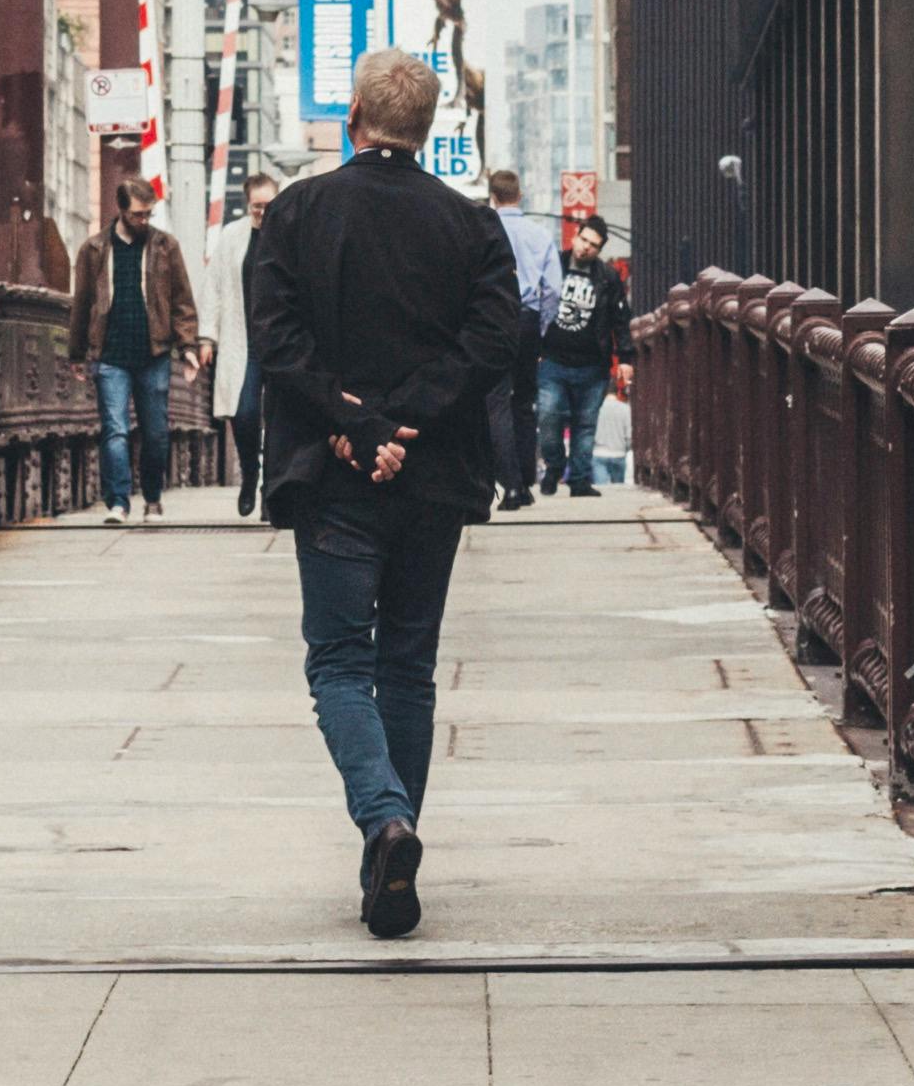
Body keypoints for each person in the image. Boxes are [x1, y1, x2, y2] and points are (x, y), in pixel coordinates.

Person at [247, 50, 530, 938]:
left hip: (332, 477)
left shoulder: (294, 213)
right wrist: (408, 419)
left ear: (356, 116)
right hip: (435, 476)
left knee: (338, 661)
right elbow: (496, 337)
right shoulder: (470, 225)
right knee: (407, 665)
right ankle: (394, 845)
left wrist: (353, 422)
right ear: (427, 125)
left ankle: (384, 821)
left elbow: (275, 337)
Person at [62, 181, 201, 523]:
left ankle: (152, 500)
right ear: (121, 210)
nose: (144, 220)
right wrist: (77, 352)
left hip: (153, 353)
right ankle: (119, 503)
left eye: (148, 214)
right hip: (110, 355)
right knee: (115, 430)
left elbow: (182, 300)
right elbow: (81, 303)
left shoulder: (166, 246)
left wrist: (188, 347)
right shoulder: (94, 249)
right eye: (138, 214)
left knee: (155, 432)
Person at [480, 169, 561, 509]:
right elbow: (553, 289)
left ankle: (510, 484)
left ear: (492, 196)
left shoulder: (483, 230)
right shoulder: (538, 235)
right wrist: (540, 327)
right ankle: (526, 479)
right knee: (524, 401)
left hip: (494, 319)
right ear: (520, 195)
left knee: (495, 400)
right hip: (527, 320)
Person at [538, 210, 632, 495]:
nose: (585, 247)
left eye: (592, 244)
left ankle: (578, 480)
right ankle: (554, 466)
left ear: (599, 249)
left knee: (585, 424)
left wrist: (626, 359)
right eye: (583, 239)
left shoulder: (607, 277)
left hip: (592, 364)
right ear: (575, 236)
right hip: (553, 359)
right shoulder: (554, 263)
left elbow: (621, 319)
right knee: (548, 416)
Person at [209, 171, 282, 518]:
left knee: (280, 418)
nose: (263, 213)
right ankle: (250, 472)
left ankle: (272, 489)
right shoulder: (231, 237)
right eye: (257, 207)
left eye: (269, 206)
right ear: (247, 204)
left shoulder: (289, 233)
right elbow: (216, 288)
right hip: (244, 341)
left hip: (282, 343)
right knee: (245, 413)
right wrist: (207, 336)